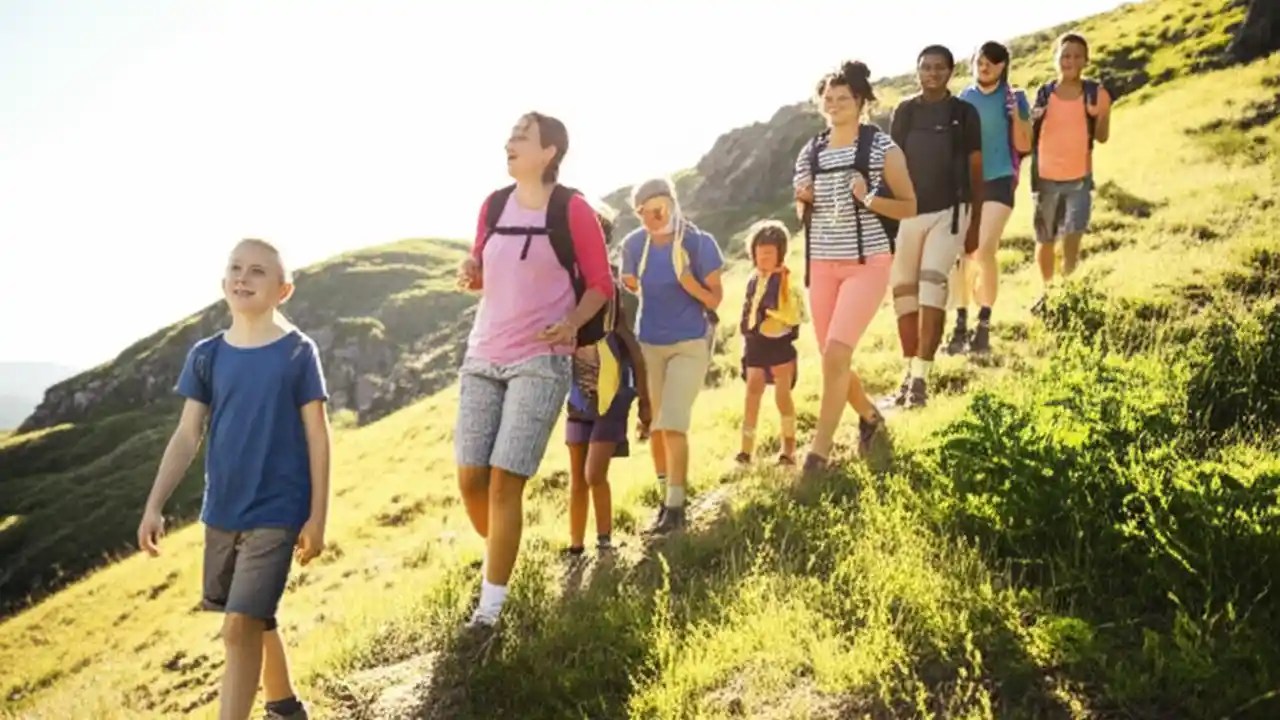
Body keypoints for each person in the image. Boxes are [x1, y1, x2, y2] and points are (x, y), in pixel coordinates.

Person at [136, 238, 330, 720]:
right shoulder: (206, 355)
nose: (243, 277)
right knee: (252, 617)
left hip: (279, 509)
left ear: (283, 290)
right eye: (236, 267)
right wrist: (154, 504)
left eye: (258, 271)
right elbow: (187, 434)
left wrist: (318, 518)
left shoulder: (297, 353)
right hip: (222, 511)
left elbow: (319, 438)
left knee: (238, 626)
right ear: (224, 281)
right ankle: (284, 706)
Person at [454, 112, 613, 629]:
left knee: (505, 484)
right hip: (482, 355)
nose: (510, 143)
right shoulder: (493, 205)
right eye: (510, 137)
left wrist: (570, 323)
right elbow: (482, 269)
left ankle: (491, 611)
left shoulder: (574, 210)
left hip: (541, 361)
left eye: (522, 137)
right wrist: (470, 270)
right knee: (471, 479)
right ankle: (502, 553)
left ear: (549, 152)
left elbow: (601, 286)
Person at [794, 60, 917, 474]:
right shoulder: (809, 151)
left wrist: (867, 198)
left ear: (861, 101)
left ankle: (819, 454)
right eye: (827, 98)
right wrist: (804, 201)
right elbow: (804, 213)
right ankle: (869, 416)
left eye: (842, 98)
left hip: (868, 262)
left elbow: (909, 205)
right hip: (821, 265)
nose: (834, 104)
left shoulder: (881, 147)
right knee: (832, 358)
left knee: (837, 354)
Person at [619, 177, 725, 534]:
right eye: (642, 213)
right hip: (649, 344)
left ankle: (678, 508)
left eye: (657, 210)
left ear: (672, 203)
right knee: (655, 427)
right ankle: (666, 502)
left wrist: (688, 282)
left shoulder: (699, 242)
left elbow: (714, 299)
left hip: (690, 343)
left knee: (673, 423)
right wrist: (627, 279)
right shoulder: (634, 244)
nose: (651, 219)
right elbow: (628, 281)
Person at [888, 45, 985, 408]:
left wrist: (973, 221)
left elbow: (976, 166)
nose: (931, 73)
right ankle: (908, 370)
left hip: (951, 212)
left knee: (932, 287)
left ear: (950, 71)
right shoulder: (905, 111)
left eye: (938, 67)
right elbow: (892, 164)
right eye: (925, 67)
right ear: (917, 71)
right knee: (903, 296)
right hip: (909, 215)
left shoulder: (964, 113)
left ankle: (921, 381)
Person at [563, 206, 652, 559]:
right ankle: (575, 547)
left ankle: (604, 543)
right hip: (577, 393)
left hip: (613, 389)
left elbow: (631, 343)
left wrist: (645, 401)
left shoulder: (612, 289)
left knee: (593, 473)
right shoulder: (563, 283)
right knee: (577, 475)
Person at [945, 41, 1033, 355]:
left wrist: (1017, 117)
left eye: (993, 63)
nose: (985, 67)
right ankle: (960, 323)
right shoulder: (962, 99)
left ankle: (983, 325)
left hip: (1000, 180)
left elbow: (1024, 145)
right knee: (962, 257)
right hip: (968, 185)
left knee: (983, 251)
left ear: (1002, 67)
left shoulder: (1015, 97)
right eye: (981, 61)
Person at [1030, 32, 1112, 313]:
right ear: (1057, 59)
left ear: (1086, 61)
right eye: (1065, 55)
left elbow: (1102, 137)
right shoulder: (1044, 93)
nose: (1071, 61)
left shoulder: (1096, 93)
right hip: (1046, 178)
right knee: (1046, 239)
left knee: (1072, 239)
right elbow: (1030, 136)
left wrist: (1100, 113)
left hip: (1079, 177)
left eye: (1077, 56)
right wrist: (1032, 118)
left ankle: (1067, 295)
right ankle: (1048, 293)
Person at [736, 219, 806, 464]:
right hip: (756, 344)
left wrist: (771, 313)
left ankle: (789, 450)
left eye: (770, 252)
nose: (764, 256)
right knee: (752, 390)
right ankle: (745, 451)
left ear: (780, 254)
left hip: (779, 344)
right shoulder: (753, 280)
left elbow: (795, 313)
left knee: (782, 396)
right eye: (760, 252)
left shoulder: (787, 280)